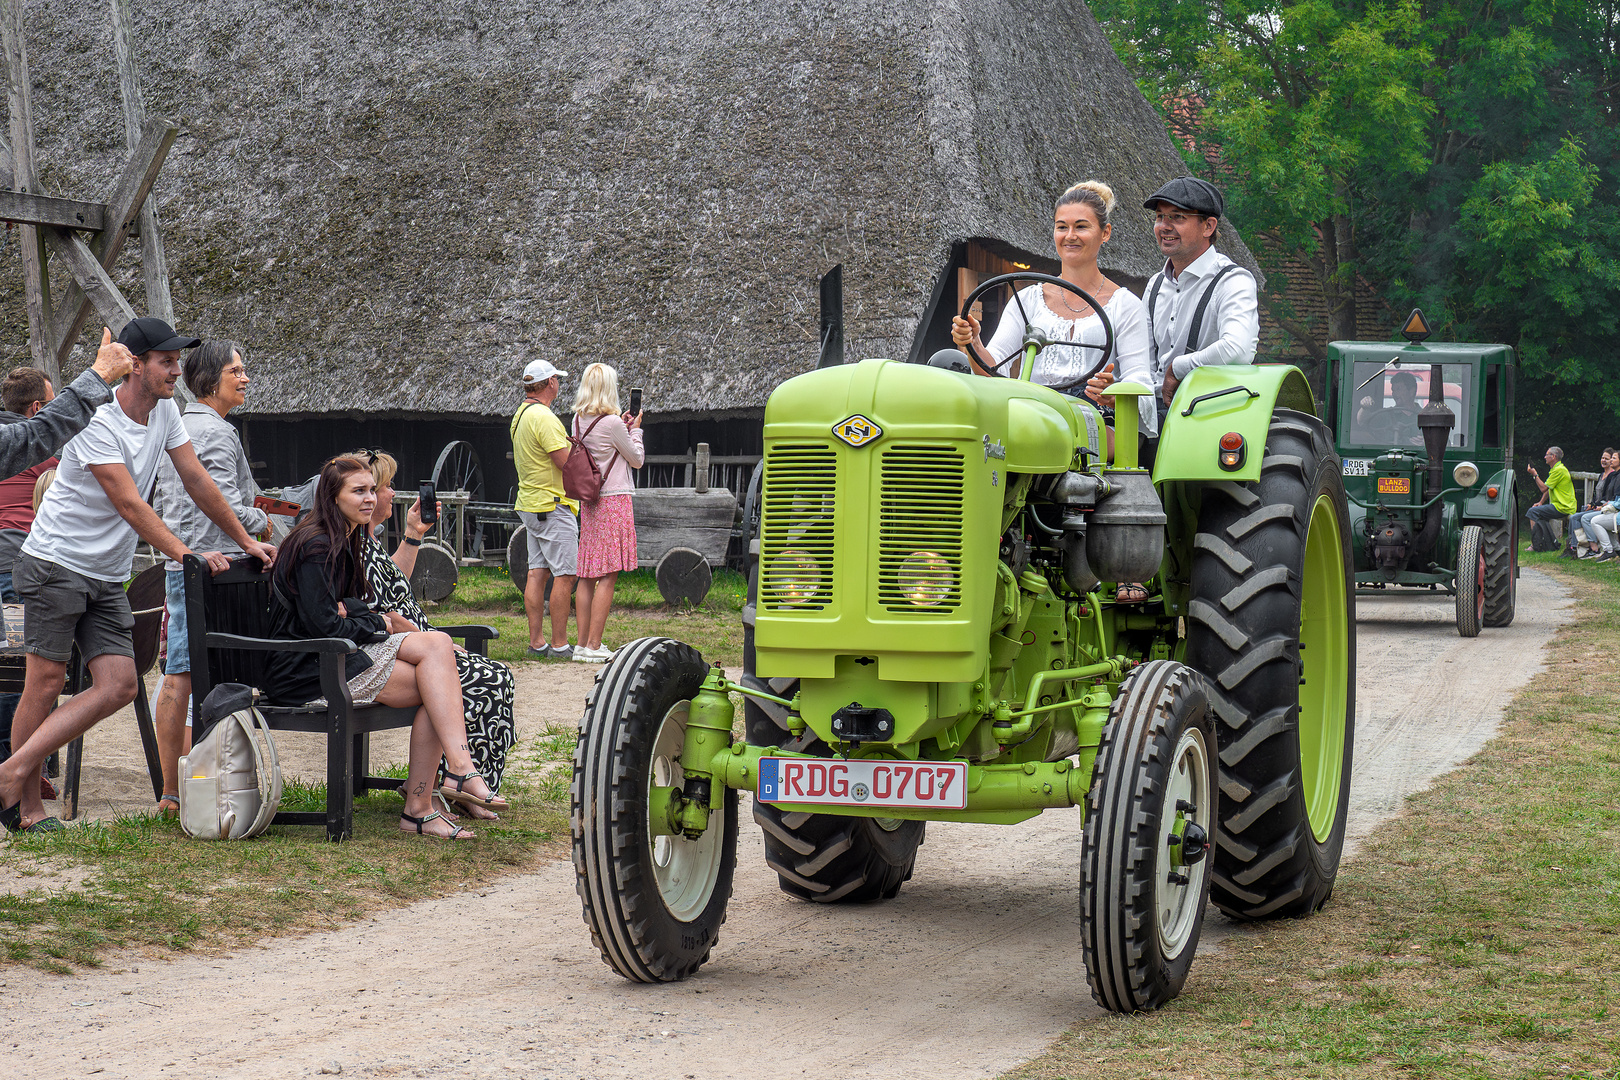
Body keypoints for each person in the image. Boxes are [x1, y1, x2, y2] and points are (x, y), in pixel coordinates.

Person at [0, 317, 277, 834]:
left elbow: (196, 477)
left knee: (121, 684)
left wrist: (244, 540)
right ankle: (26, 808)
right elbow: (128, 502)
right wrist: (185, 553)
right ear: (134, 364)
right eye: (166, 361)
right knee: (45, 682)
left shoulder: (167, 411)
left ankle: (10, 772)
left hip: (105, 574)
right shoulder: (97, 419)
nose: (178, 370)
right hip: (56, 563)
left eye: (177, 361)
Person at [264, 455, 507, 840]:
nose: (370, 499)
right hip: (305, 669)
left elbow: (350, 606)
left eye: (372, 490)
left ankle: (429, 799)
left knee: (437, 658)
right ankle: (439, 790)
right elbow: (325, 623)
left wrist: (359, 615)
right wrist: (377, 621)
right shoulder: (315, 544)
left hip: (333, 655)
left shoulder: (345, 538)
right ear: (332, 496)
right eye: (358, 491)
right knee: (436, 669)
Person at [951, 181, 1155, 603]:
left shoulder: (1125, 306)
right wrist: (971, 342)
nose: (1070, 236)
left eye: (1081, 226)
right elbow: (993, 370)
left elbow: (1141, 382)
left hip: (1096, 414)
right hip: (1030, 410)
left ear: (1105, 233)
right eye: (1062, 227)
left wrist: (1113, 391)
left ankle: (1115, 559)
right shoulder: (1026, 299)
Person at [150, 341, 269, 815]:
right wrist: (261, 526)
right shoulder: (214, 433)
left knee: (189, 674)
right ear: (210, 380)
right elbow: (220, 502)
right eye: (235, 371)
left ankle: (187, 786)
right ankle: (173, 792)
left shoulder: (185, 428)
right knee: (183, 676)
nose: (244, 378)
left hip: (191, 562)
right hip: (206, 568)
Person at [358, 450, 516, 804]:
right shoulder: (353, 546)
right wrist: (437, 644)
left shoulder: (371, 542)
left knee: (496, 674)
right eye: (387, 487)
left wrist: (413, 533)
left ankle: (465, 783)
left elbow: (392, 580)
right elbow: (385, 615)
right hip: (399, 646)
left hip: (416, 643)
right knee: (484, 677)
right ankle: (456, 781)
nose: (390, 494)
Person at [1139, 176, 1260, 465]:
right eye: (1160, 217)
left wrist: (1178, 368)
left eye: (1177, 217)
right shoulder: (1154, 284)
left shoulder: (1234, 281)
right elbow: (1141, 357)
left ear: (1209, 226)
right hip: (1149, 412)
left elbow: (1238, 350)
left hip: (1209, 412)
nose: (1164, 226)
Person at [0, 369, 60, 784]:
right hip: (14, 569)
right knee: (19, 664)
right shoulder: (42, 451)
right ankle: (15, 762)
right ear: (37, 409)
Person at [570, 363, 645, 662]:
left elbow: (601, 447)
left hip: (590, 500)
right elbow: (636, 459)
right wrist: (636, 431)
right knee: (609, 575)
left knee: (588, 573)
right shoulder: (613, 423)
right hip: (614, 499)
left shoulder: (577, 420)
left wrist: (623, 428)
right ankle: (595, 643)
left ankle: (581, 644)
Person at [0, 328, 134, 480]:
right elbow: (39, 433)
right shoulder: (49, 460)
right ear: (37, 407)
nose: (55, 406)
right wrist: (102, 373)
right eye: (53, 403)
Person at [511, 359, 578, 660]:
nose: (559, 384)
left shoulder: (520, 415)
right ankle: (561, 644)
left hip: (530, 503)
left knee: (537, 573)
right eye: (557, 379)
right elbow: (565, 462)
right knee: (565, 574)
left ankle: (536, 641)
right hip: (552, 505)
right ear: (550, 383)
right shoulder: (546, 418)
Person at [1526, 446, 1577, 554]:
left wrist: (1535, 475)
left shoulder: (1558, 470)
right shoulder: (1557, 469)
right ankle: (1545, 543)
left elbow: (1544, 488)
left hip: (1563, 506)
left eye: (1547, 455)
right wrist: (1540, 503)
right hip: (1561, 505)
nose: (1545, 457)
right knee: (1537, 511)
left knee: (1532, 512)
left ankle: (1536, 544)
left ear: (1553, 457)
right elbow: (1549, 489)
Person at [1569, 448, 1618, 558]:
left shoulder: (1612, 476)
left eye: (1607, 458)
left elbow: (1608, 496)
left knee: (1581, 518)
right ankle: (1574, 546)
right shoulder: (1602, 475)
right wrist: (1592, 504)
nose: (1604, 460)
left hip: (1606, 507)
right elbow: (1597, 495)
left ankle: (1592, 547)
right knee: (1577, 514)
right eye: (1602, 458)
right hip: (1600, 505)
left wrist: (1598, 506)